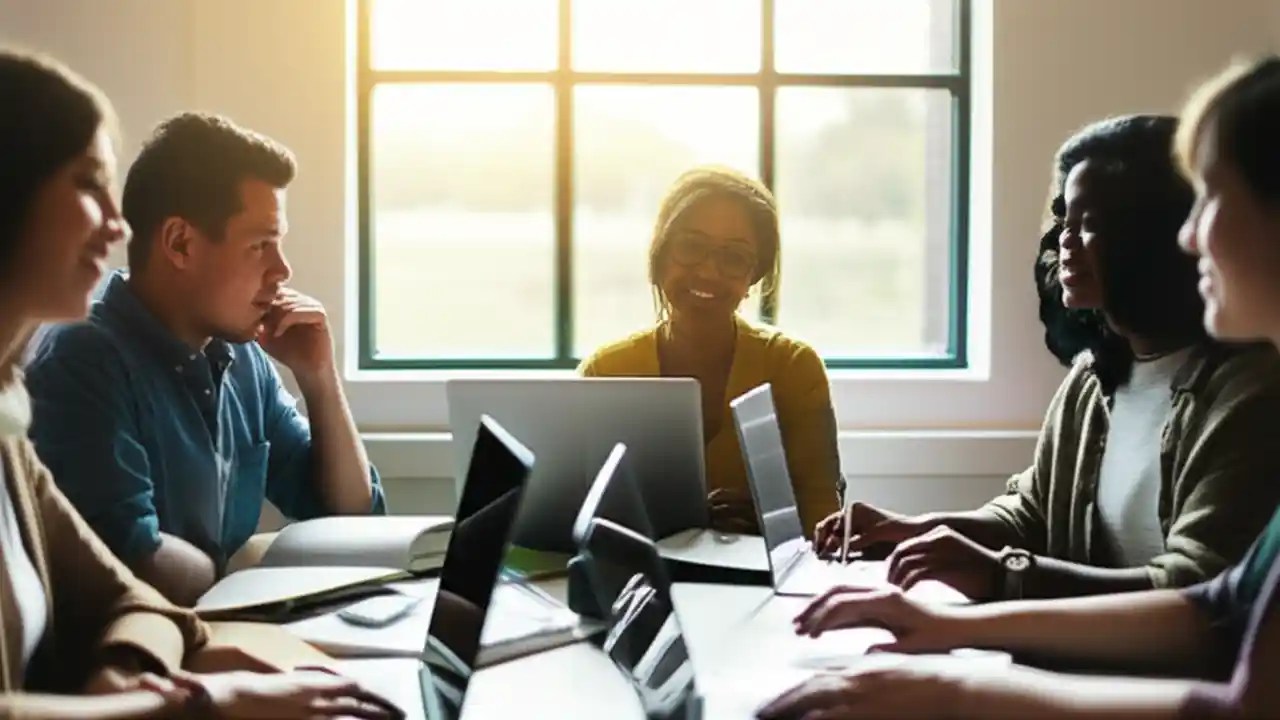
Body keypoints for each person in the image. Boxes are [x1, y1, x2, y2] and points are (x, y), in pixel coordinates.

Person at [758, 56, 1280, 720]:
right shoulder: (1096, 378)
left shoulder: (1255, 396)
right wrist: (948, 618)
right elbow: (1215, 608)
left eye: (1211, 197)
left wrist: (963, 677)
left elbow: (1236, 686)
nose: (1190, 233)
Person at [0, 49, 397, 719]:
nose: (118, 223)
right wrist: (195, 698)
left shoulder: (8, 428)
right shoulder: (80, 359)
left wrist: (320, 379)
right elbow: (139, 571)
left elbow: (128, 599)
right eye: (89, 184)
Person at [812, 115, 1280, 602]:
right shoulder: (1093, 377)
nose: (1065, 241)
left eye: (1090, 223)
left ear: (1158, 233)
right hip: (1086, 647)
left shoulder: (1252, 394)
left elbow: (1202, 590)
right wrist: (915, 530)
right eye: (1064, 221)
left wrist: (1005, 577)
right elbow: (1033, 513)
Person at [23, 111, 386, 606]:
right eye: (261, 245)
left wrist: (319, 378)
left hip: (215, 617)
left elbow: (350, 516)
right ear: (181, 243)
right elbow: (132, 561)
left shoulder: (242, 355)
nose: (282, 270)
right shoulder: (83, 360)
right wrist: (244, 580)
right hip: (144, 639)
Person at [578, 166, 839, 535]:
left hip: (762, 571)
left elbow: (824, 523)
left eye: (734, 258)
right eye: (691, 247)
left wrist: (766, 526)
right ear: (661, 254)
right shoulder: (606, 371)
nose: (708, 272)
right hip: (638, 570)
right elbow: (581, 517)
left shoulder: (793, 367)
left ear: (753, 277)